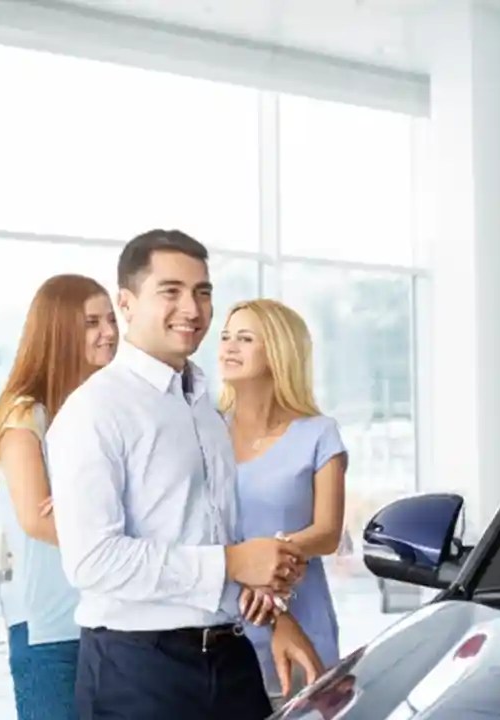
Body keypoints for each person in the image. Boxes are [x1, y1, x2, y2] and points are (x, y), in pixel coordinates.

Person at [46, 229, 323, 719]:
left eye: (203, 292)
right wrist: (232, 563)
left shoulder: (204, 404)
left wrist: (275, 615)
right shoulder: (95, 410)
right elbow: (92, 561)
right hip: (137, 670)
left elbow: (215, 531)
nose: (192, 310)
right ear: (127, 304)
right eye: (170, 292)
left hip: (229, 657)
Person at [0, 273, 118, 720]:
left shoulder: (98, 410)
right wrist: (113, 530)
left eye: (111, 320)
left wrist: (92, 513)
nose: (110, 333)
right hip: (51, 630)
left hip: (109, 618)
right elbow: (37, 518)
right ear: (59, 331)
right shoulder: (26, 415)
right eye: (92, 323)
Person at [218, 298, 349, 697]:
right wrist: (247, 566)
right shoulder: (204, 430)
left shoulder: (319, 433)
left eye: (244, 338)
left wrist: (268, 565)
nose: (228, 347)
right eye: (225, 337)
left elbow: (327, 533)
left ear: (278, 351)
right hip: (223, 623)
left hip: (303, 619)